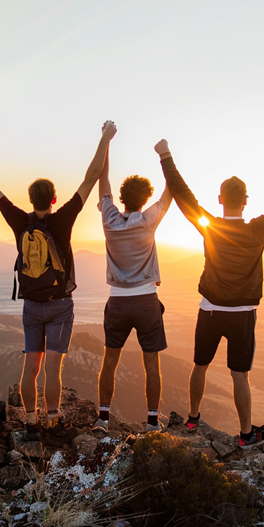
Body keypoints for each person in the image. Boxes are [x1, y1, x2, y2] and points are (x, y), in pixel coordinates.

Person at [153, 138, 264, 447]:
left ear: (220, 199)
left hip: (209, 310)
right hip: (243, 316)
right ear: (245, 201)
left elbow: (182, 195)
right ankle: (247, 434)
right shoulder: (259, 230)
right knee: (239, 376)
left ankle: (193, 419)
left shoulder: (210, 227)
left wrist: (165, 155)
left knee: (200, 365)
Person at [0, 121, 117, 445]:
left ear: (31, 200)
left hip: (31, 306)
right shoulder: (62, 219)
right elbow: (90, 177)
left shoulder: (19, 221)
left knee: (30, 367)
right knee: (52, 371)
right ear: (54, 198)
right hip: (59, 306)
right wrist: (105, 138)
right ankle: (54, 421)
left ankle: (31, 423)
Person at [92, 135, 173, 434]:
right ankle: (152, 421)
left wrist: (107, 142)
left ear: (122, 197)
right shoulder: (148, 220)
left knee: (109, 359)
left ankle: (102, 418)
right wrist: (165, 156)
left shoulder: (109, 219)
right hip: (147, 301)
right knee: (151, 362)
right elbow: (171, 191)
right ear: (145, 197)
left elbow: (103, 179)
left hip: (117, 301)